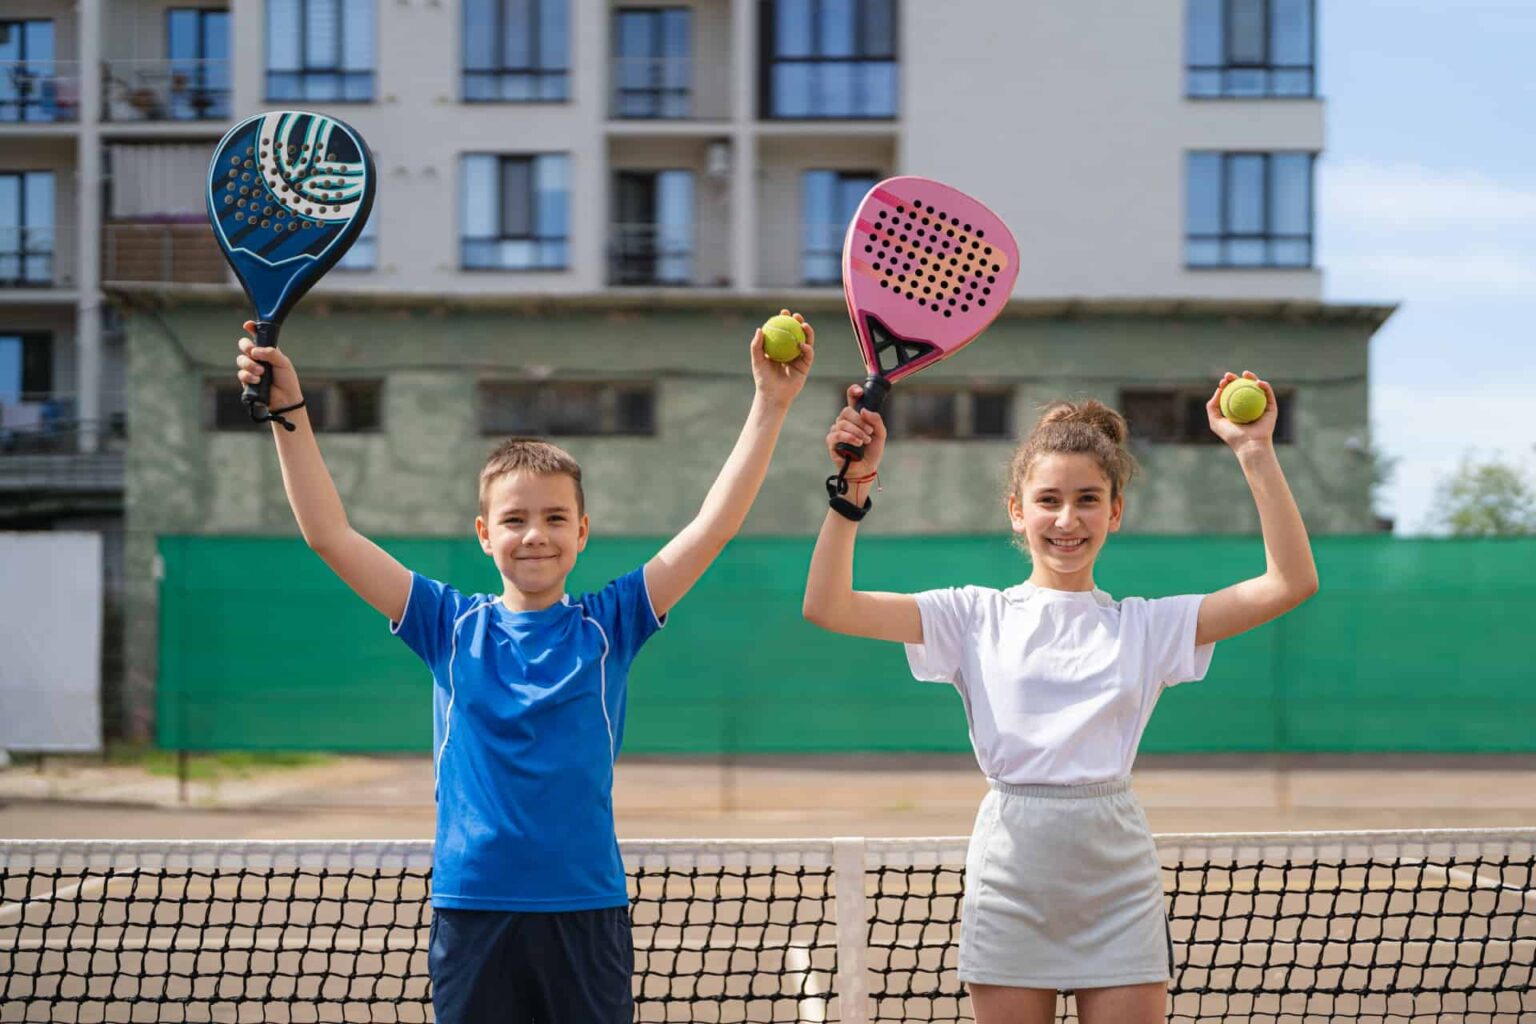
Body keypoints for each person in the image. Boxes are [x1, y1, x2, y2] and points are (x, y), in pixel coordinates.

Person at [233, 310, 816, 1023]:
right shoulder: (447, 625)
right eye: (513, 519)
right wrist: (287, 410)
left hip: (586, 910)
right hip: (473, 912)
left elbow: (713, 526)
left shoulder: (613, 623)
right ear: (484, 534)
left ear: (582, 531)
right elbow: (329, 535)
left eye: (554, 518)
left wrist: (770, 402)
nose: (534, 535)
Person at [803, 372, 1317, 1024]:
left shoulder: (1149, 625)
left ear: (1115, 510)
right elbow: (827, 605)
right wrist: (854, 485)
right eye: (1048, 499)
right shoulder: (971, 616)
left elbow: (1291, 580)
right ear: (1017, 509)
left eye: (1088, 499)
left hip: (1118, 881)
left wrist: (1255, 451)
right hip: (1009, 879)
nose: (1067, 519)